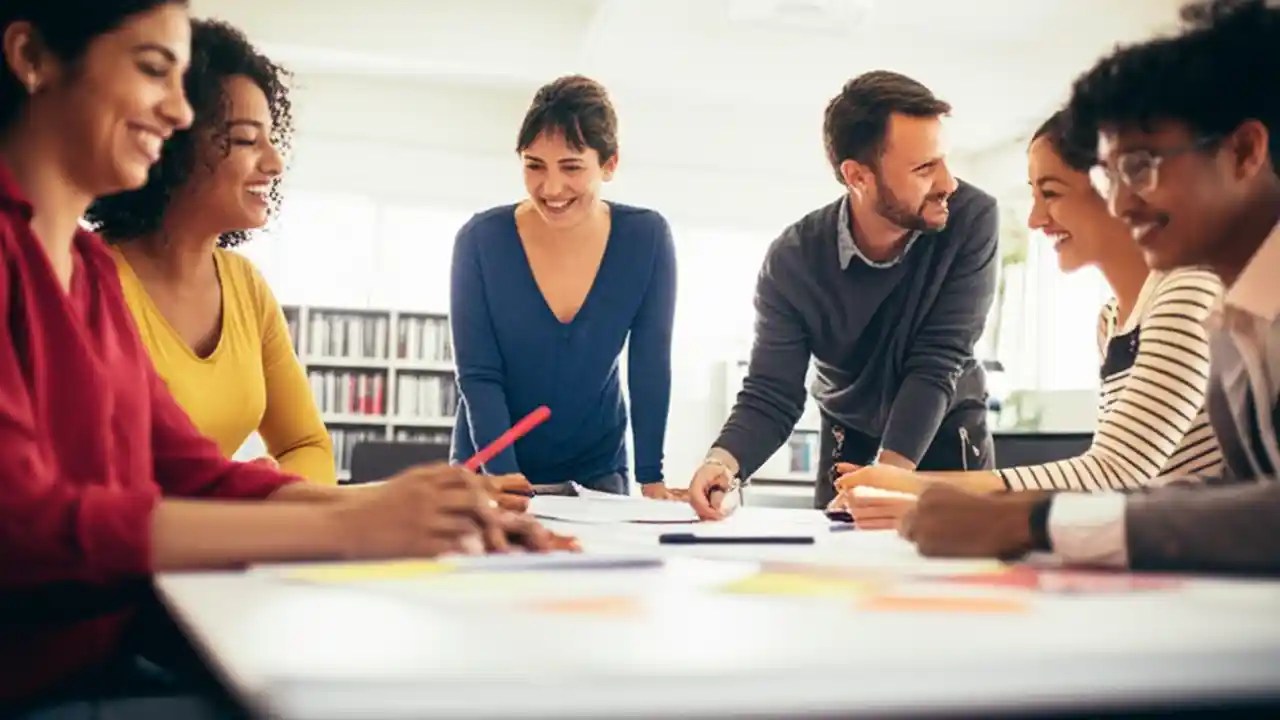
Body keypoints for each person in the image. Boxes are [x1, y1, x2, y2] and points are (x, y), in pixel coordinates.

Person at [0, 3, 552, 712]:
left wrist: (404, 508)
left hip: (118, 657)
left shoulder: (88, 270)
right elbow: (25, 527)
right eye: (151, 70)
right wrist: (347, 525)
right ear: (31, 57)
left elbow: (188, 469)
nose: (176, 111)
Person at [842, 0, 1280, 573]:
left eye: (1141, 168)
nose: (1122, 202)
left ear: (1245, 152)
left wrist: (1022, 518)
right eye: (1111, 175)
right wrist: (1015, 516)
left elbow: (1124, 475)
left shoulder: (1204, 299)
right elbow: (1231, 495)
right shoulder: (1236, 318)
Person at [831, 111, 1224, 529]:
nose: (1035, 219)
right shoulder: (1113, 320)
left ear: (1116, 188)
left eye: (1051, 193)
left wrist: (919, 489)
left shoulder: (1188, 290)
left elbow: (1115, 473)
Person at [687, 70, 1000, 518]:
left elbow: (937, 360)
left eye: (944, 160)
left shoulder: (972, 218)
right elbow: (771, 391)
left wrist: (887, 479)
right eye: (924, 167)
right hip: (848, 428)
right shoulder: (793, 261)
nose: (948, 182)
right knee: (838, 572)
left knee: (957, 573)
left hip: (944, 421)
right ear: (858, 176)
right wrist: (722, 463)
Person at [85, 19, 334, 484]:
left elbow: (306, 444)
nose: (274, 163)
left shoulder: (246, 286)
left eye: (270, 138)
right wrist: (243, 495)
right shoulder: (84, 283)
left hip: (211, 547)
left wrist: (269, 496)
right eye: (244, 140)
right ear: (170, 142)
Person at [449, 75, 680, 499]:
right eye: (534, 165)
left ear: (609, 165)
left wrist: (651, 476)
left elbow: (649, 363)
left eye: (571, 167)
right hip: (490, 462)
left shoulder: (646, 238)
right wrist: (503, 476)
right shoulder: (481, 240)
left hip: (596, 467)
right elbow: (478, 375)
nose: (551, 188)